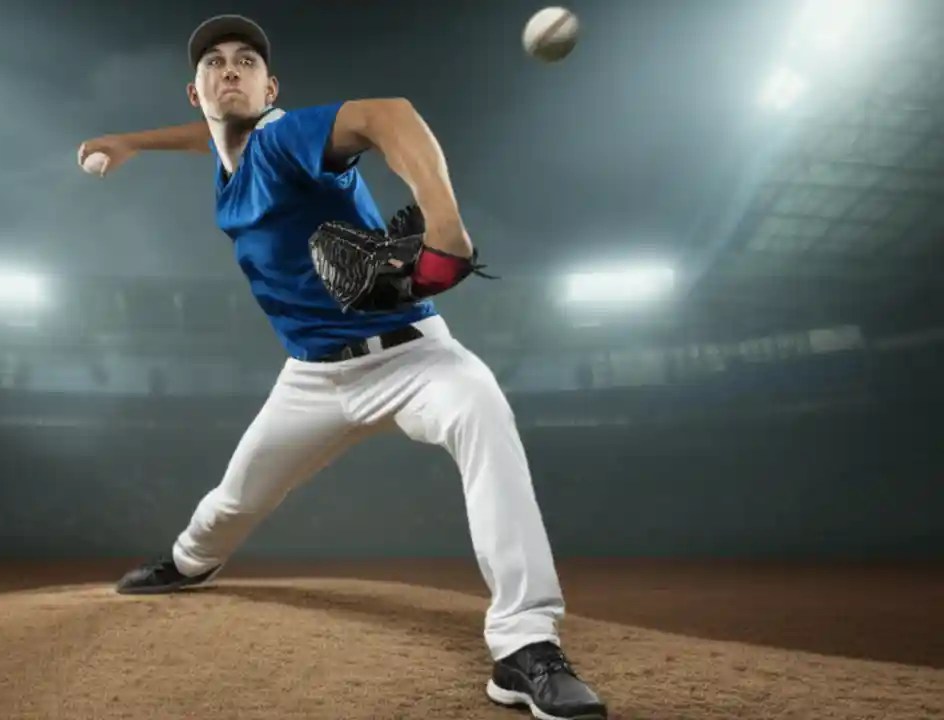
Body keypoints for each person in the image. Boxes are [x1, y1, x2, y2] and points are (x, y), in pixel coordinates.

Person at [77, 14, 608, 720]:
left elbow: (391, 115)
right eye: (214, 63)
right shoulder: (225, 153)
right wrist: (131, 144)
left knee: (483, 412)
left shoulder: (287, 138)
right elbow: (206, 136)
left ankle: (525, 645)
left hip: (417, 357)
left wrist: (446, 229)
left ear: (273, 89)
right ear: (195, 91)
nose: (229, 69)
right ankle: (189, 562)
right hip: (312, 379)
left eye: (245, 61)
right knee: (235, 499)